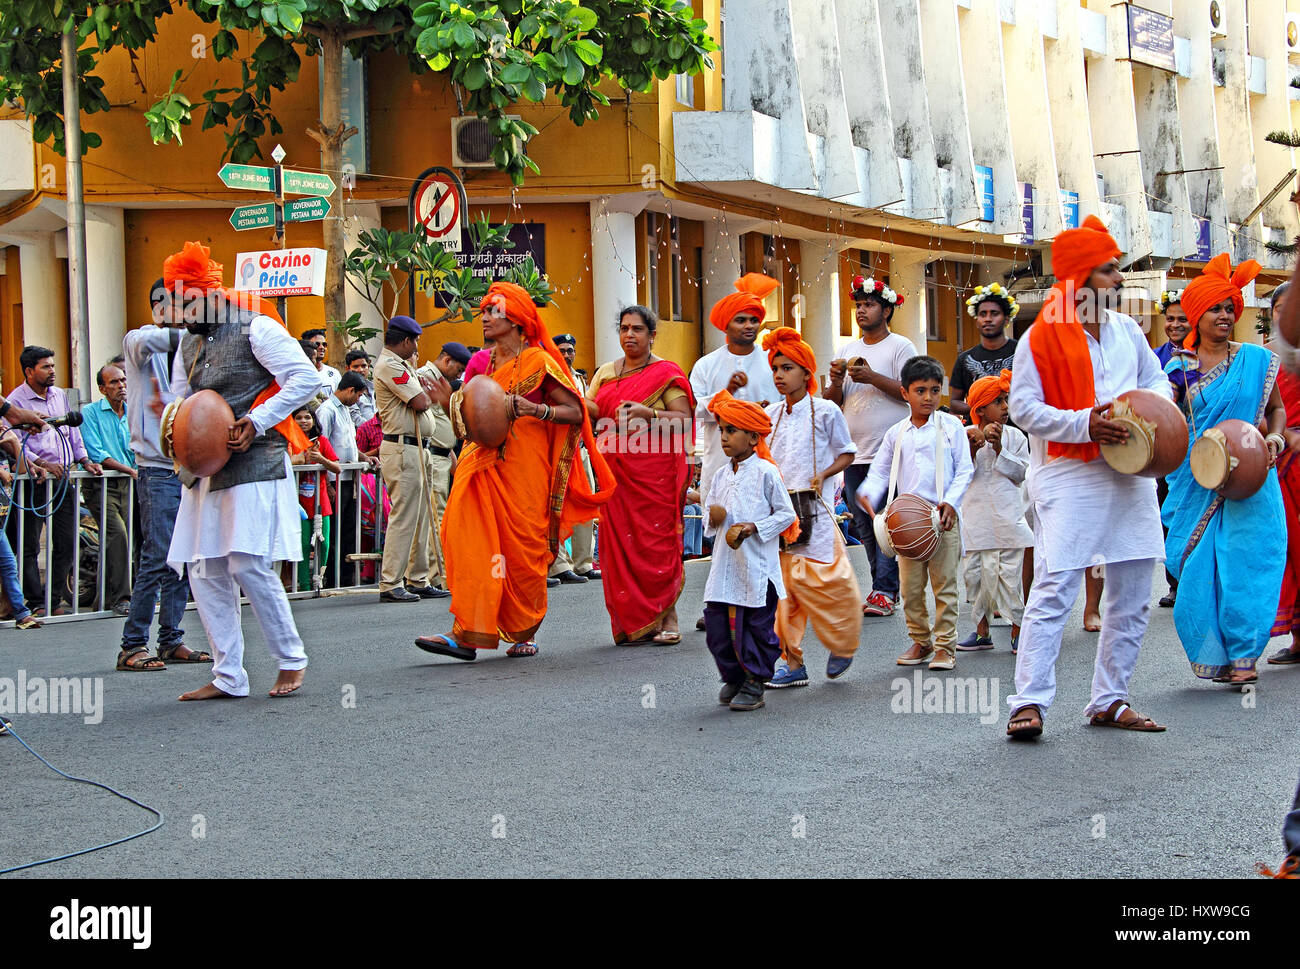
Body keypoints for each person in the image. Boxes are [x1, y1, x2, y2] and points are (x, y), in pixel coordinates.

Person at [1004, 215, 1170, 740]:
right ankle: (1028, 702)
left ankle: (1110, 699)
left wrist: (1149, 413)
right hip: (1068, 472)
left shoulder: (1127, 331)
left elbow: (1157, 381)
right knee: (1054, 587)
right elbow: (1022, 407)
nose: (1119, 280)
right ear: (1077, 278)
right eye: (1108, 272)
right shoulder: (1039, 337)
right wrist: (1085, 423)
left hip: (1131, 473)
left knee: (1134, 589)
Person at [413, 281, 615, 661]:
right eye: (485, 310)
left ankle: (525, 628)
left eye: (493, 311)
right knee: (468, 538)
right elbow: (473, 417)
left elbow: (578, 412)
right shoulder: (482, 363)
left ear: (517, 318)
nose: (484, 317)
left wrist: (534, 409)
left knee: (521, 552)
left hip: (526, 471)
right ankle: (467, 632)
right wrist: (447, 403)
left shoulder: (541, 362)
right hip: (482, 464)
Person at [161, 241, 317, 701]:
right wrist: (183, 435)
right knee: (204, 569)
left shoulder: (257, 326)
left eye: (186, 301)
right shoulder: (188, 343)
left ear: (209, 295)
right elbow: (178, 400)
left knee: (247, 562)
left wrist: (257, 420)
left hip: (255, 459)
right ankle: (229, 674)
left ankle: (291, 659)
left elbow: (304, 377)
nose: (181, 312)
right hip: (205, 466)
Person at [1162, 254, 1286, 687]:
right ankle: (1215, 651)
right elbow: (1168, 424)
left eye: (1230, 308)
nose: (1226, 315)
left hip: (1253, 479)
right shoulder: (1178, 369)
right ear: (1198, 315)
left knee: (1248, 561)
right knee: (1197, 565)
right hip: (1199, 481)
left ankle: (1245, 654)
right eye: (1216, 308)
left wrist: (1274, 440)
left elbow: (1276, 409)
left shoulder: (1255, 359)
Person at [587, 306, 695, 644]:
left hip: (653, 477)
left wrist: (649, 414)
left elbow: (684, 421)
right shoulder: (605, 372)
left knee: (655, 544)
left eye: (637, 329)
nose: (629, 335)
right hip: (614, 477)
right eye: (623, 329)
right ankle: (633, 621)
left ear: (652, 334)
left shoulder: (666, 372)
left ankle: (669, 616)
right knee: (619, 547)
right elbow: (591, 410)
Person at [761, 328, 860, 688]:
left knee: (828, 582)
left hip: (814, 510)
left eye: (787, 368)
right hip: (781, 513)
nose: (779, 376)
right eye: (775, 369)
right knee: (785, 589)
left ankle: (842, 640)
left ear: (806, 372)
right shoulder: (769, 414)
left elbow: (848, 452)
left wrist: (825, 474)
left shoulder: (827, 411)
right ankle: (793, 661)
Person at [860, 356, 974, 671]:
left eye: (934, 391)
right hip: (906, 524)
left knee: (945, 587)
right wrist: (867, 494)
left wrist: (951, 502)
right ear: (905, 393)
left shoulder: (952, 426)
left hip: (943, 521)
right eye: (920, 390)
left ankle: (945, 647)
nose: (928, 398)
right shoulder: (897, 432)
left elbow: (965, 470)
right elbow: (881, 472)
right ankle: (921, 641)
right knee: (910, 592)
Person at [115, 279, 205, 671]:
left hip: (185, 465)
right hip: (155, 467)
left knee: (180, 557)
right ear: (159, 306)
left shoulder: (192, 349)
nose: (187, 312)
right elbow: (159, 340)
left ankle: (170, 639)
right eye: (180, 304)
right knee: (157, 556)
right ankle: (132, 644)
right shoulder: (139, 340)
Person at [688, 273, 782, 627]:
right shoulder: (707, 365)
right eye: (741, 319)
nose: (749, 325)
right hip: (719, 461)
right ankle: (718, 605)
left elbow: (782, 406)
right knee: (721, 527)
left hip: (764, 463)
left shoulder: (773, 361)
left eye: (754, 319)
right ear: (725, 323)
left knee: (760, 530)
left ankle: (761, 605)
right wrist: (724, 395)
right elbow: (693, 408)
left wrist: (759, 411)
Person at [701, 391, 797, 710]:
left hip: (757, 567)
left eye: (732, 430)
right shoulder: (720, 475)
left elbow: (785, 514)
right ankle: (734, 676)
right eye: (722, 430)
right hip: (724, 566)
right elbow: (710, 517)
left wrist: (753, 527)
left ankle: (755, 680)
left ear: (753, 437)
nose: (724, 437)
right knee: (716, 627)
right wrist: (713, 519)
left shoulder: (767, 472)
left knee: (756, 628)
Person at [826, 274, 916, 618]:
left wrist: (872, 378)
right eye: (859, 305)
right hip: (854, 450)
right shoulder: (846, 350)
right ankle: (882, 585)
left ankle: (884, 589)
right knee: (864, 524)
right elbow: (833, 403)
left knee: (886, 521)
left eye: (869, 305)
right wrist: (836, 382)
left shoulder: (900, 347)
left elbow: (912, 390)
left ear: (887, 309)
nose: (862, 311)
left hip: (889, 452)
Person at [2, 346, 103, 616]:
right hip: (34, 480)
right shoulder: (15, 401)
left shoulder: (59, 395)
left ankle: (54, 600)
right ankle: (35, 601)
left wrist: (83, 460)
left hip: (63, 479)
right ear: (29, 371)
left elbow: (73, 434)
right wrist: (43, 464)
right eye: (45, 366)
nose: (52, 371)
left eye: (52, 365)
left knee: (66, 540)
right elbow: (17, 441)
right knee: (28, 545)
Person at [956, 369, 1032, 654]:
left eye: (1006, 400)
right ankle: (981, 631)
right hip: (976, 522)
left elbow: (1021, 473)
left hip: (1008, 519)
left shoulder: (1015, 437)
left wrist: (999, 448)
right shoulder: (964, 435)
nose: (1005, 407)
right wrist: (974, 449)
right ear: (980, 409)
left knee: (1010, 578)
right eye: (998, 401)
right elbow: (959, 475)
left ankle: (1017, 629)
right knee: (975, 578)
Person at [373, 316, 446, 603]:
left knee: (423, 515)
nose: (416, 346)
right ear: (405, 341)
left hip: (419, 447)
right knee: (404, 517)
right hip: (402, 448)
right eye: (414, 341)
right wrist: (427, 393)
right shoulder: (390, 365)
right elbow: (421, 401)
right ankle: (391, 582)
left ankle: (418, 578)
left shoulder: (403, 365)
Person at [78, 363, 136, 616]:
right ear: (102, 389)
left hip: (129, 483)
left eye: (123, 381)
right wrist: (130, 470)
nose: (121, 386)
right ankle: (121, 598)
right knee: (118, 535)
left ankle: (103, 598)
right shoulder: (90, 412)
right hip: (103, 484)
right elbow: (96, 452)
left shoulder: (133, 410)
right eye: (114, 382)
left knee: (128, 540)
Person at [416, 341, 472, 594]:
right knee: (436, 519)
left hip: (442, 455)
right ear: (447, 360)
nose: (458, 376)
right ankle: (438, 576)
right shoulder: (426, 378)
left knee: (437, 518)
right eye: (458, 370)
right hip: (431, 456)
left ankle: (431, 574)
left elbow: (442, 431)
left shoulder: (437, 380)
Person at [550, 333, 601, 585]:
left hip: (580, 448)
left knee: (586, 503)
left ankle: (584, 563)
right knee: (557, 506)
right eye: (562, 350)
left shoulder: (580, 380)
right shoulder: (549, 377)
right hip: (558, 450)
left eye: (570, 350)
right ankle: (559, 565)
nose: (567, 355)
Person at [1269, 282, 1300, 666]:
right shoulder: (1265, 361)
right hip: (1278, 464)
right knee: (1289, 550)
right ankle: (1298, 637)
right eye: (1281, 308)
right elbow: (1260, 411)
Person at [1153, 289, 1190, 608]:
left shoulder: (1208, 355)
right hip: (1167, 453)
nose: (1175, 325)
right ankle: (1175, 583)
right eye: (1170, 319)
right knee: (1170, 516)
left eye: (1182, 319)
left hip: (1205, 450)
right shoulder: (1156, 357)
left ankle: (1201, 579)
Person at [290, 404, 342, 591]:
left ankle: (318, 580)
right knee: (303, 544)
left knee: (324, 544)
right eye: (299, 417)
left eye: (307, 417)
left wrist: (320, 459)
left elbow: (337, 468)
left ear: (314, 420)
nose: (304, 421)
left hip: (321, 503)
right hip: (298, 503)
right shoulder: (289, 440)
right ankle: (303, 585)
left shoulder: (322, 441)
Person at [949, 284, 1020, 419]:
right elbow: (954, 403)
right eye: (983, 314)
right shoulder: (965, 359)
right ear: (977, 320)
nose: (988, 318)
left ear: (1006, 319)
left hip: (1017, 434)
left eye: (994, 313)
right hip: (977, 435)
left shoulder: (1022, 352)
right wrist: (982, 407)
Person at [0, 429, 43, 629]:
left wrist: (15, 443)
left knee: (9, 564)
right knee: (8, 563)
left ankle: (21, 613)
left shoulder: (4, 451)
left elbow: (23, 469)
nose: (2, 426)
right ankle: (21, 612)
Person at [302, 328, 341, 397]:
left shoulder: (334, 373)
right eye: (317, 344)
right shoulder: (301, 375)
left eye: (324, 344)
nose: (322, 347)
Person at [345, 349, 376, 425]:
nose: (360, 370)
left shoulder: (374, 387)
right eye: (355, 367)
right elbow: (354, 416)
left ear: (368, 367)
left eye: (364, 366)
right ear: (347, 369)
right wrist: (373, 430)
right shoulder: (347, 391)